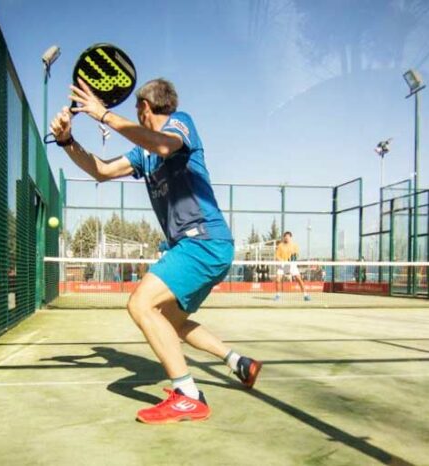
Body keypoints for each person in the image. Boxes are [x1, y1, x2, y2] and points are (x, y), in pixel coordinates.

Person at [49, 77, 261, 424]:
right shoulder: (142, 155)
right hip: (203, 247)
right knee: (171, 322)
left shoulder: (181, 123)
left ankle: (188, 395)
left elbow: (165, 145)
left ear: (145, 108)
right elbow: (101, 171)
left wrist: (104, 116)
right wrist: (66, 141)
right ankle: (238, 361)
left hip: (202, 241)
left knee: (140, 304)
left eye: (136, 111)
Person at [274, 231, 310, 301]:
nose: (286, 238)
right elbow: (277, 256)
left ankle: (305, 295)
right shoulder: (280, 245)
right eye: (285, 237)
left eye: (288, 237)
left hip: (292, 264)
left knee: (299, 279)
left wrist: (292, 259)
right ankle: (278, 295)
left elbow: (296, 255)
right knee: (278, 280)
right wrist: (282, 261)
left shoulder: (294, 246)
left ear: (290, 237)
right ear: (284, 238)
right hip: (283, 264)